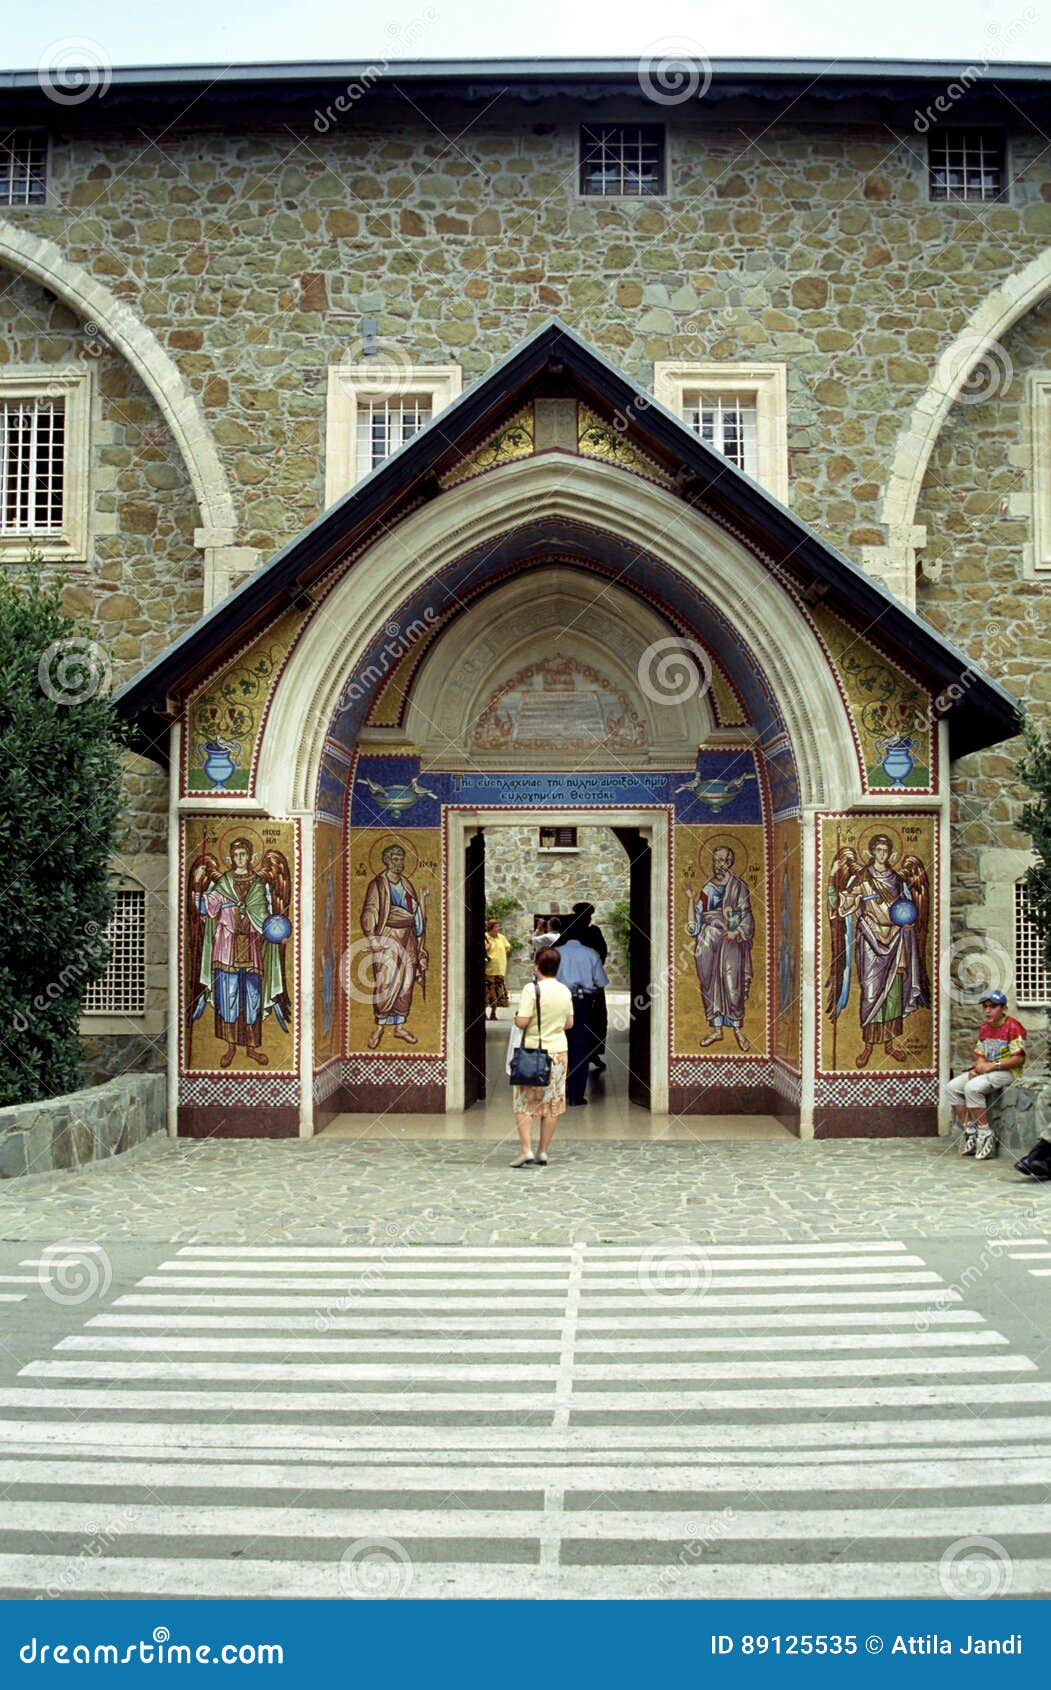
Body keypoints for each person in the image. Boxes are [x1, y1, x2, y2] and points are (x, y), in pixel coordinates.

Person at [359, 843, 428, 1049]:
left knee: (406, 983)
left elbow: (414, 913)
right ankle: (380, 1026)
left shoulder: (406, 884)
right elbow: (370, 910)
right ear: (387, 861)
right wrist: (371, 937)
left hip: (408, 938)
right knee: (387, 981)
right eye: (396, 859)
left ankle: (399, 1026)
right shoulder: (378, 884)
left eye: (402, 859)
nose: (400, 863)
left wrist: (421, 902)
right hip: (388, 936)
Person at [686, 846, 755, 1052]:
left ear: (730, 862)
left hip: (730, 940)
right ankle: (716, 1029)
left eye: (722, 861)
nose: (718, 865)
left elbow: (746, 914)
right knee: (708, 981)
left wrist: (737, 931)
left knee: (732, 983)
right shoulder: (708, 887)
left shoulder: (738, 886)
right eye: (715, 861)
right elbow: (699, 914)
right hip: (708, 938)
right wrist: (691, 903)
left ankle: (737, 1030)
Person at [511, 945, 573, 1169]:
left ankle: (526, 1149)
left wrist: (517, 1016)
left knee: (524, 1103)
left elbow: (523, 1021)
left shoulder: (531, 989)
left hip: (533, 1053)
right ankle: (543, 1151)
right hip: (559, 1052)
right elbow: (569, 1023)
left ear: (537, 967)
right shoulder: (565, 991)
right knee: (552, 1104)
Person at [945, 990, 1027, 1161]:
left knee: (972, 1088)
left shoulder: (1013, 1027)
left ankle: (985, 1132)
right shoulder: (985, 1028)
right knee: (952, 1087)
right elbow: (980, 1053)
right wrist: (980, 1065)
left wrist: (993, 1066)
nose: (988, 1011)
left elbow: (1019, 1058)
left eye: (993, 1007)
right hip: (988, 1071)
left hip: (1007, 1072)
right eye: (985, 1007)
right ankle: (970, 1129)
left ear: (1004, 1008)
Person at [556, 921, 609, 1105]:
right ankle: (576, 1095)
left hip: (558, 1002)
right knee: (580, 1047)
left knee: (557, 1046)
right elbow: (601, 982)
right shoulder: (590, 954)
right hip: (582, 1003)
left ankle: (558, 1092)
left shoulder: (556, 954)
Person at [564, 900, 609, 1072]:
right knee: (587, 1020)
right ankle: (580, 1053)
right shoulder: (570, 934)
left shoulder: (592, 932)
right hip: (588, 985)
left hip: (588, 984)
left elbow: (602, 952)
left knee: (596, 1020)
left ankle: (592, 1052)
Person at [484, 918, 512, 1020]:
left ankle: (493, 1013)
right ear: (490, 928)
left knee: (497, 992)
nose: (498, 928)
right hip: (488, 970)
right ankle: (483, 1013)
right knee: (487, 993)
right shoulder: (485, 937)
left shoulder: (502, 938)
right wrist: (487, 948)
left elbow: (507, 948)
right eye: (496, 927)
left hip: (499, 969)